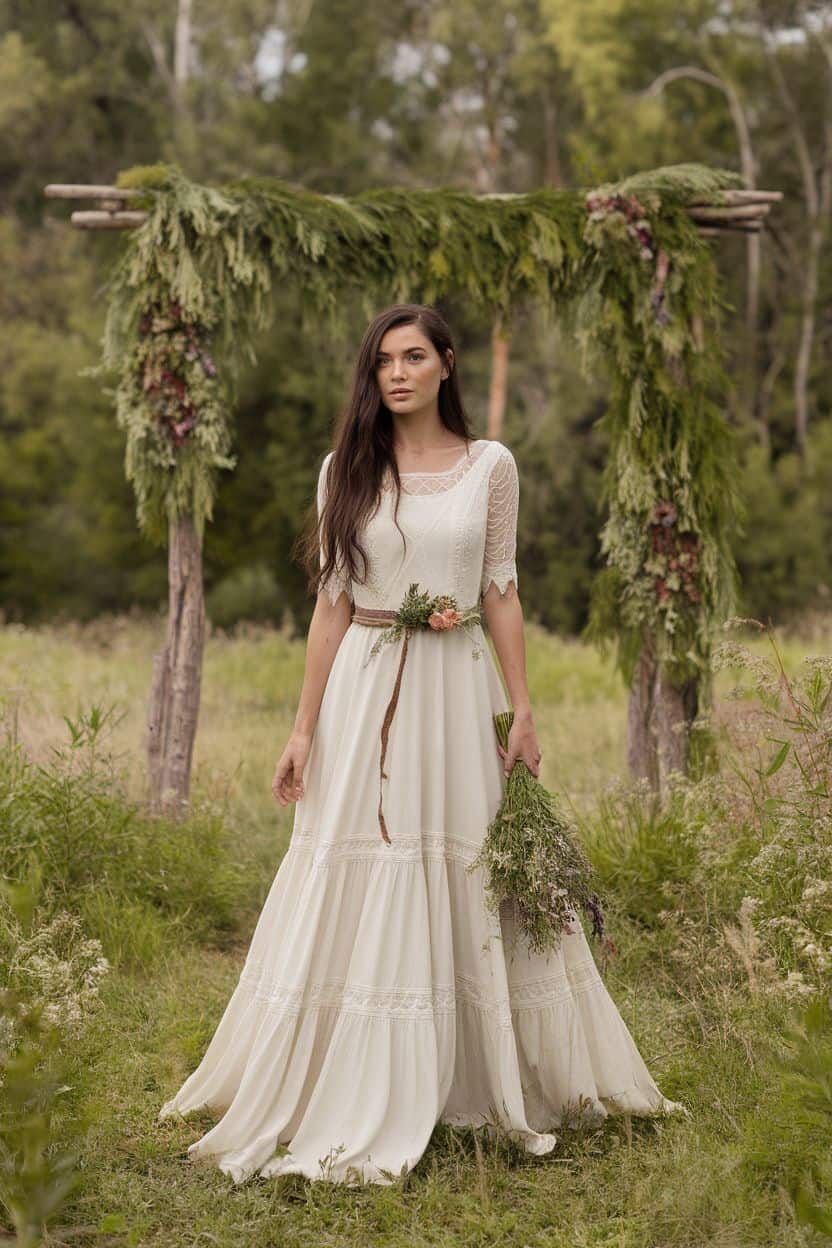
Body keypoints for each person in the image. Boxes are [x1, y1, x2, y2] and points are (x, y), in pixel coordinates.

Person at [158, 302, 688, 1185]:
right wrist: (301, 727)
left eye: (412, 357)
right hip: (365, 691)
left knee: (467, 862)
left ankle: (475, 1076)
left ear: (446, 363)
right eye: (381, 363)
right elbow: (330, 606)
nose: (395, 374)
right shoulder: (347, 470)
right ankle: (345, 1072)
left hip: (455, 682)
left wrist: (523, 710)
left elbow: (503, 591)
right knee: (358, 859)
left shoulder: (491, 466)